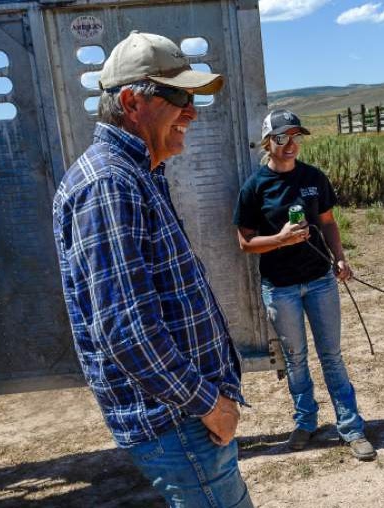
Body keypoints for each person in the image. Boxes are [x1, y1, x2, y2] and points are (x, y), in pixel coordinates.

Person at [52, 31, 252, 507]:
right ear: (130, 101)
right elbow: (125, 331)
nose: (192, 111)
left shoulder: (137, 174)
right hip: (177, 418)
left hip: (180, 415)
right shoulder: (110, 184)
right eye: (179, 96)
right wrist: (209, 403)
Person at [232, 109, 376, 461]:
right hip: (279, 287)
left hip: (319, 281)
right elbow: (245, 243)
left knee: (332, 356)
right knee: (296, 359)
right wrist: (280, 239)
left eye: (295, 137)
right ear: (268, 142)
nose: (290, 145)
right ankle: (306, 422)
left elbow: (328, 223)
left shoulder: (314, 178)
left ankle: (351, 428)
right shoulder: (254, 187)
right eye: (282, 138)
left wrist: (340, 258)